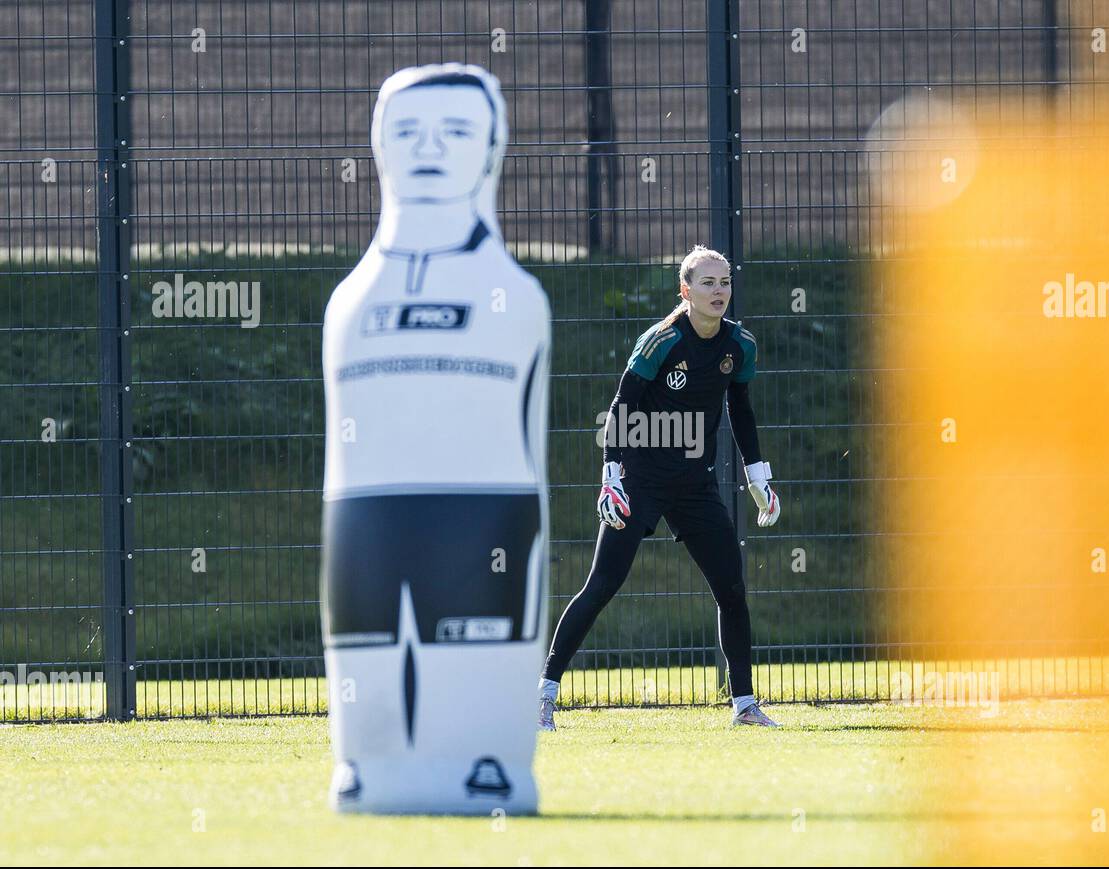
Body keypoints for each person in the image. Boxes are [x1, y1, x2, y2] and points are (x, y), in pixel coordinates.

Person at [321, 64, 550, 814]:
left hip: (483, 505)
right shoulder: (352, 299)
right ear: (379, 145)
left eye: (455, 131)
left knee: (477, 641)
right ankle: (366, 764)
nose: (429, 149)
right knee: (369, 636)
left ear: (490, 148)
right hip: (365, 507)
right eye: (407, 131)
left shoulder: (514, 293)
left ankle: (488, 763)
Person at [538, 245, 781, 730]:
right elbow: (621, 406)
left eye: (725, 281)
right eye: (708, 283)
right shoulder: (661, 340)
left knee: (732, 589)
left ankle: (745, 705)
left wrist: (758, 476)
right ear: (685, 291)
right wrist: (611, 477)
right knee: (602, 584)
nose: (719, 291)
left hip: (695, 484)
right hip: (640, 479)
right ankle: (543, 696)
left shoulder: (740, 345)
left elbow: (741, 409)